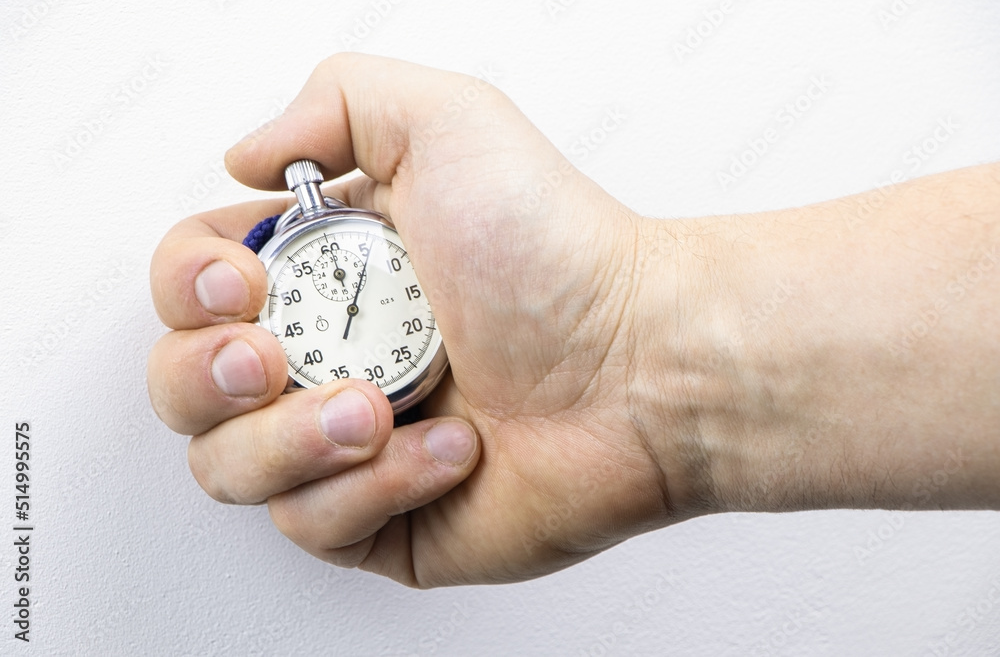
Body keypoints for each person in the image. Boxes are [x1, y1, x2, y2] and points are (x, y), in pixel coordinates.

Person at [147, 53, 1000, 588]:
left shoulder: (375, 240)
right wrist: (628, 366)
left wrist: (624, 340)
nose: (364, 304)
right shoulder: (302, 267)